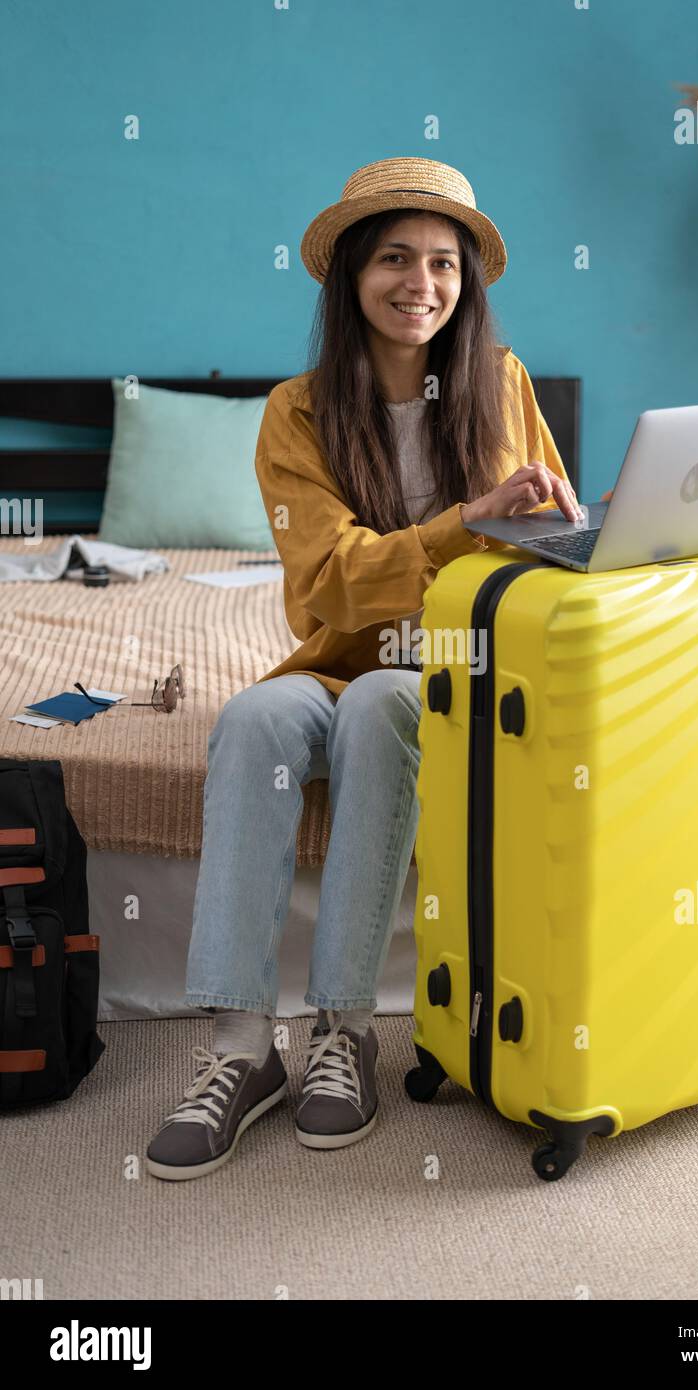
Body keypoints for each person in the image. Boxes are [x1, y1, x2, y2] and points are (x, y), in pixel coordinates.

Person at [145, 156, 581, 1181]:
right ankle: (239, 1047)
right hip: (335, 657)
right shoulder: (295, 412)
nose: (419, 283)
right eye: (393, 258)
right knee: (255, 717)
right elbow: (332, 585)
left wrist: (555, 519)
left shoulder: (504, 384)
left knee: (393, 697)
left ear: (467, 282)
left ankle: (344, 1028)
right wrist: (460, 522)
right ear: (349, 275)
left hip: (453, 668)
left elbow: (550, 540)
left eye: (442, 262)